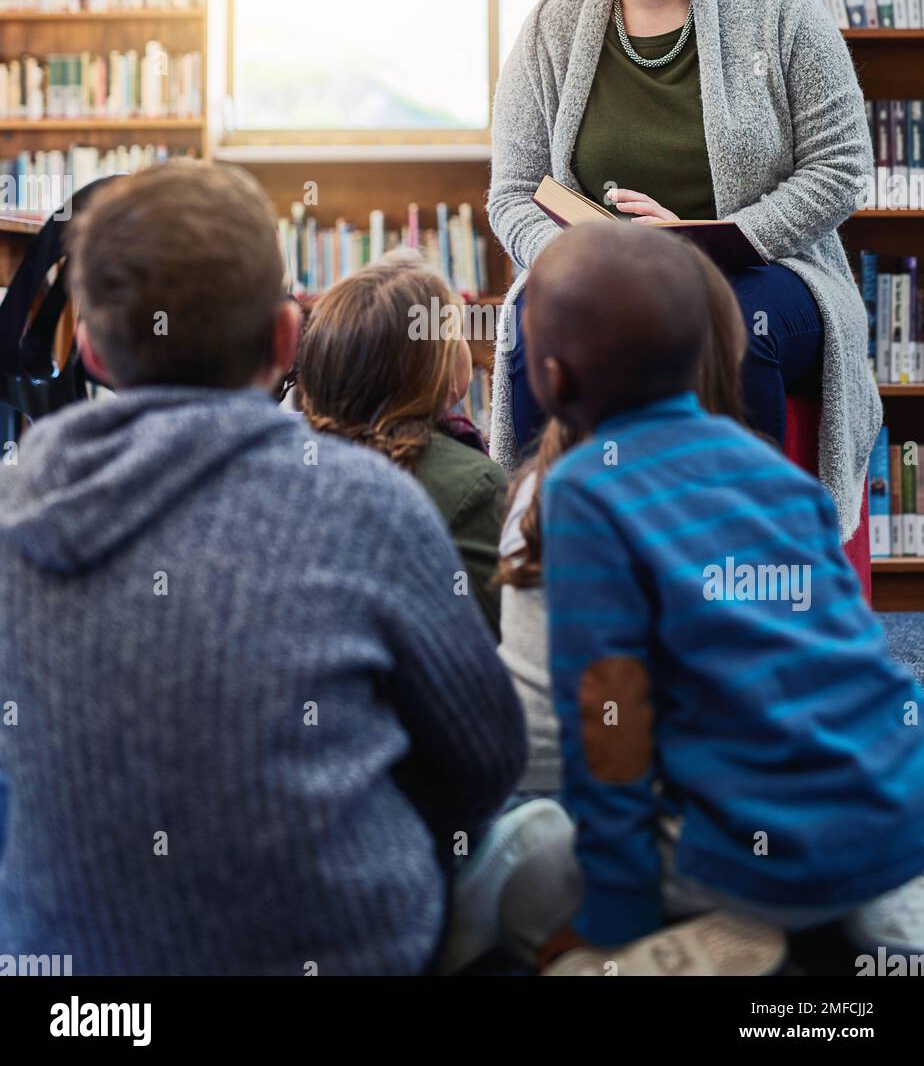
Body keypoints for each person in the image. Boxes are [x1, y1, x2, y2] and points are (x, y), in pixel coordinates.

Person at [0, 160, 526, 976]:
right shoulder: (372, 504)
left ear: (93, 352)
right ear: (288, 338)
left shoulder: (12, 516)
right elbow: (486, 762)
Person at [523, 220, 924, 968]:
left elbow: (609, 713)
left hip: (756, 852)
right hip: (897, 810)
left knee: (529, 868)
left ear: (554, 377)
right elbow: (857, 646)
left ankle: (733, 935)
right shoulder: (779, 475)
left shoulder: (585, 488)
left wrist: (617, 914)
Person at [487, 0, 880, 546]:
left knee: (731, 327)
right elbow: (511, 192)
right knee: (530, 323)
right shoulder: (551, 28)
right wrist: (585, 261)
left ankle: (744, 566)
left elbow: (840, 167)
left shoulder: (779, 4)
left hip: (770, 272)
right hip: (604, 276)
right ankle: (543, 562)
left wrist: (709, 244)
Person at [497, 243, 750, 797]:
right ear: (727, 353)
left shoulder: (545, 497)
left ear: (553, 379)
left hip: (566, 805)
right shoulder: (772, 498)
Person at [295, 250, 508, 635]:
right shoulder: (474, 486)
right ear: (435, 369)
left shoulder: (294, 465)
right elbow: (496, 639)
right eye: (457, 331)